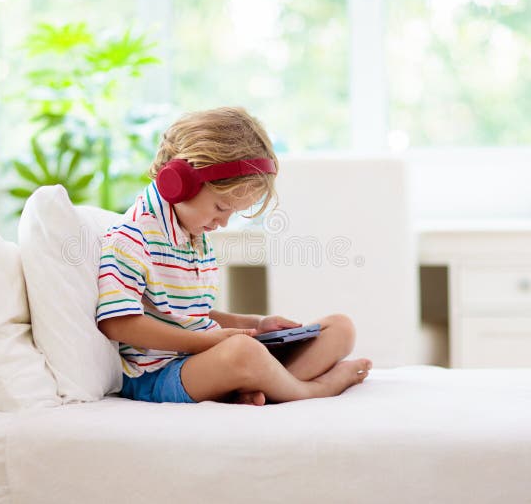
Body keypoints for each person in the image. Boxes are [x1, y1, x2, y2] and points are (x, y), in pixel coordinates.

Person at [96, 107, 372, 406]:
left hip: (204, 357)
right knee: (243, 352)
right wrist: (209, 341)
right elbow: (118, 324)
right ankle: (310, 390)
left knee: (339, 328)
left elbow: (188, 316)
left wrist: (256, 322)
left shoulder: (192, 235)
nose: (223, 223)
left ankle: (256, 387)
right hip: (157, 375)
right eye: (220, 207)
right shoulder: (133, 236)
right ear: (178, 182)